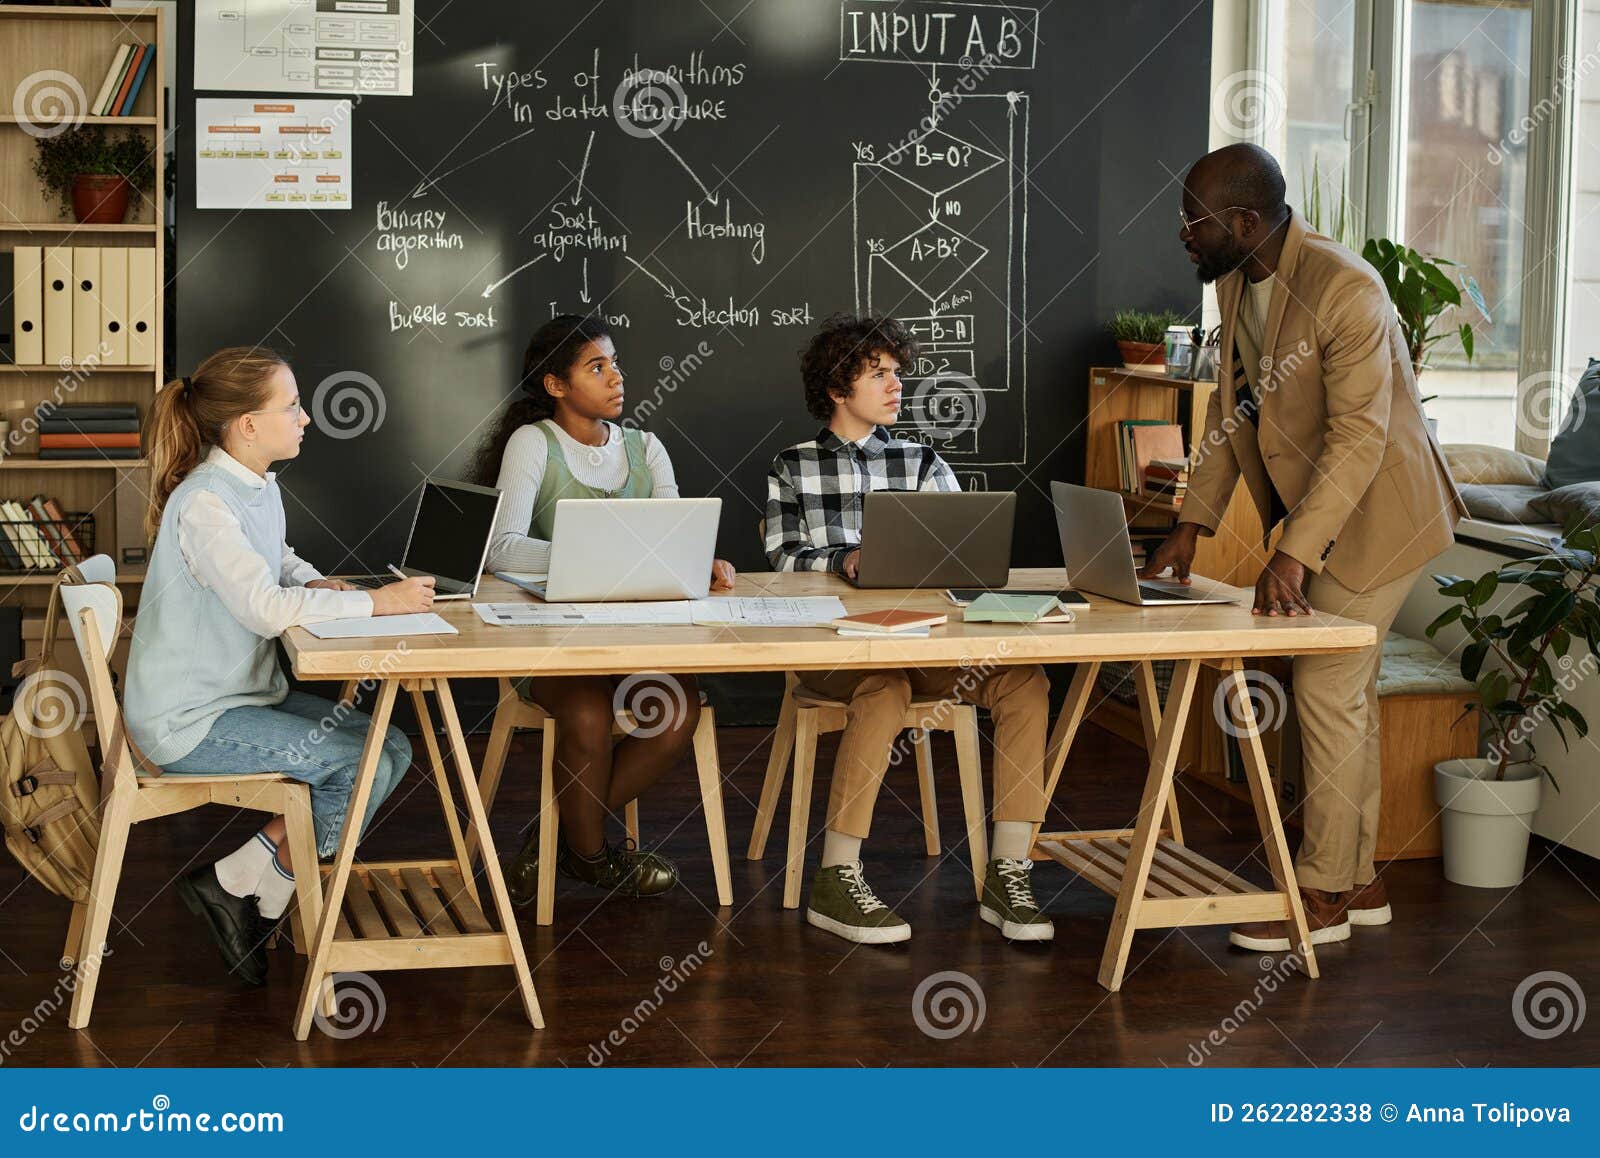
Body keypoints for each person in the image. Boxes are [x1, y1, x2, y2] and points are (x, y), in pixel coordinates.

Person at [1143, 143, 1466, 952]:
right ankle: (1354, 882)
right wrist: (1193, 522)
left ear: (1245, 222)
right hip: (1328, 510)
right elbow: (1232, 410)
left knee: (1324, 687)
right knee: (1338, 693)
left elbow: (1359, 439)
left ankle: (1320, 895)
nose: (1184, 233)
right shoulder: (1234, 277)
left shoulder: (1346, 289)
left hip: (1384, 513)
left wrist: (1293, 553)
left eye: (1195, 221)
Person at [127, 346, 432, 985]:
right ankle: (262, 892)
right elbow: (266, 608)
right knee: (356, 758)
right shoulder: (206, 502)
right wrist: (378, 603)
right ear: (247, 425)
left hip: (240, 697)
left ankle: (243, 885)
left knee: (393, 746)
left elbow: (278, 558)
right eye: (290, 406)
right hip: (188, 721)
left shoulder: (255, 484)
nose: (305, 418)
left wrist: (325, 585)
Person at [765, 312, 1054, 945]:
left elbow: (969, 549)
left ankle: (1009, 870)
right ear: (839, 390)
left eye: (898, 373)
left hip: (925, 639)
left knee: (1024, 680)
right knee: (886, 684)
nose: (898, 386)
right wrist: (843, 561)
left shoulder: (924, 460)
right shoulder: (793, 466)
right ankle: (836, 877)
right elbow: (782, 558)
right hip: (836, 649)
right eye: (879, 375)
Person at [471, 315, 735, 906]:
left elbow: (674, 539)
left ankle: (559, 836)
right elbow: (502, 545)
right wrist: (596, 549)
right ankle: (592, 857)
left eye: (615, 363)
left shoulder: (648, 449)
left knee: (675, 710)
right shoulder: (533, 443)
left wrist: (702, 561)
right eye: (597, 366)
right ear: (556, 385)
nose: (616, 377)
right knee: (588, 715)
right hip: (550, 641)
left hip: (640, 639)